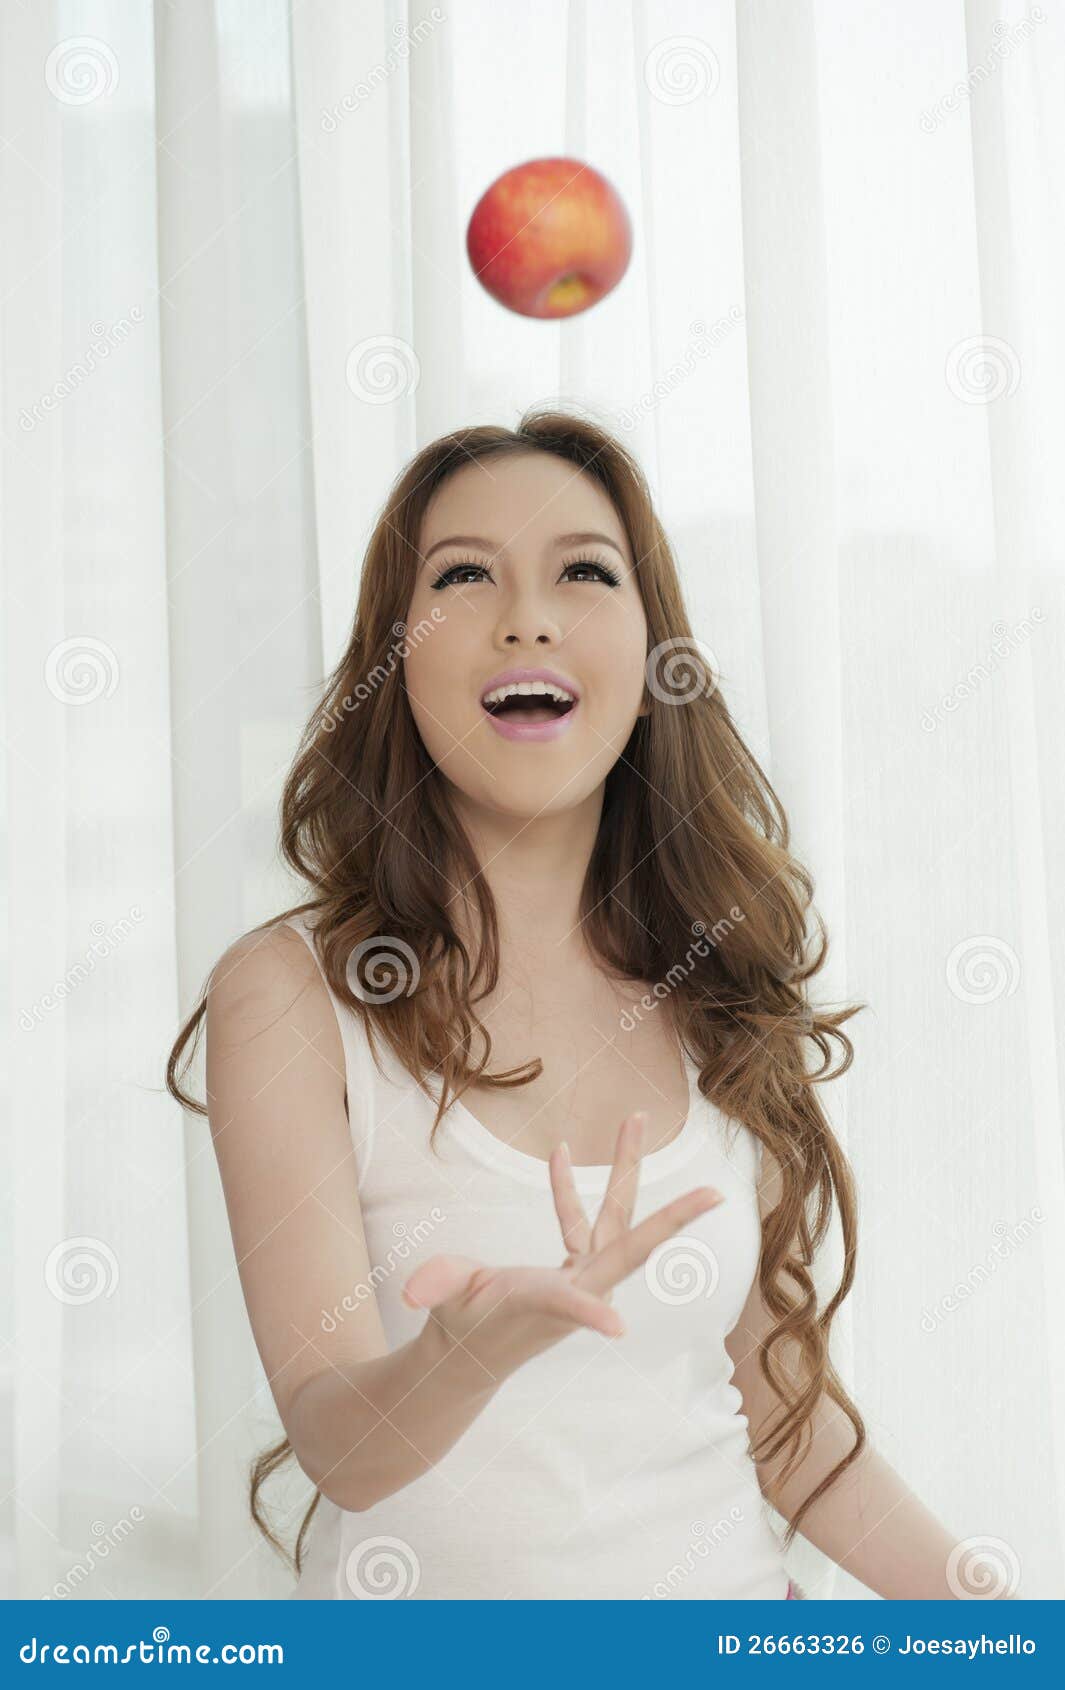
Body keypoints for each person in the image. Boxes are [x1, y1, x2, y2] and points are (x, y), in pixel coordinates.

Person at [168, 408, 988, 1601]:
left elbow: (793, 1432)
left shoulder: (714, 977)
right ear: (393, 667)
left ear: (658, 658)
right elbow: (340, 1446)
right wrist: (461, 1353)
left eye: (583, 573)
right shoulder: (291, 995)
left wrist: (1005, 1625)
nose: (528, 615)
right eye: (463, 576)